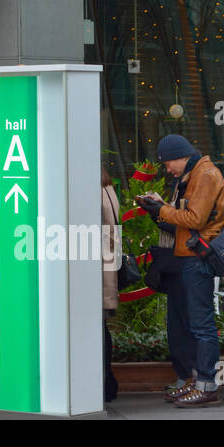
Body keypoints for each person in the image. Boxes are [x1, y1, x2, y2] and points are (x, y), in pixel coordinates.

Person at [135, 134, 224, 408]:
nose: (168, 170)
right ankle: (198, 380)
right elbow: (189, 215)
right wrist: (160, 209)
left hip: (197, 256)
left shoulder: (205, 174)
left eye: (167, 163)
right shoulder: (197, 173)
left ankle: (206, 385)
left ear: (180, 156)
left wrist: (162, 209)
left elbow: (194, 219)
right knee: (195, 324)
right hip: (190, 254)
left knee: (201, 325)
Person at [99, 168, 121, 403]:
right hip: (106, 270)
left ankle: (105, 382)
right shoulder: (108, 190)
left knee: (97, 331)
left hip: (95, 271)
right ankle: (108, 382)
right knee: (102, 329)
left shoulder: (93, 194)